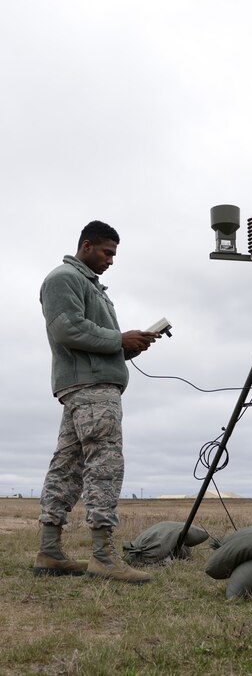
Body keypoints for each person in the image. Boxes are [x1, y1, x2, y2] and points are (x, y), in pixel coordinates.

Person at [34, 220, 160, 584]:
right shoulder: (64, 278)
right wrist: (119, 339)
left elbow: (91, 340)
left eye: (113, 255)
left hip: (86, 386)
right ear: (86, 246)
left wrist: (130, 346)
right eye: (107, 252)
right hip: (91, 389)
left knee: (68, 467)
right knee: (104, 464)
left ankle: (49, 551)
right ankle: (103, 556)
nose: (110, 260)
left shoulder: (90, 286)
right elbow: (66, 329)